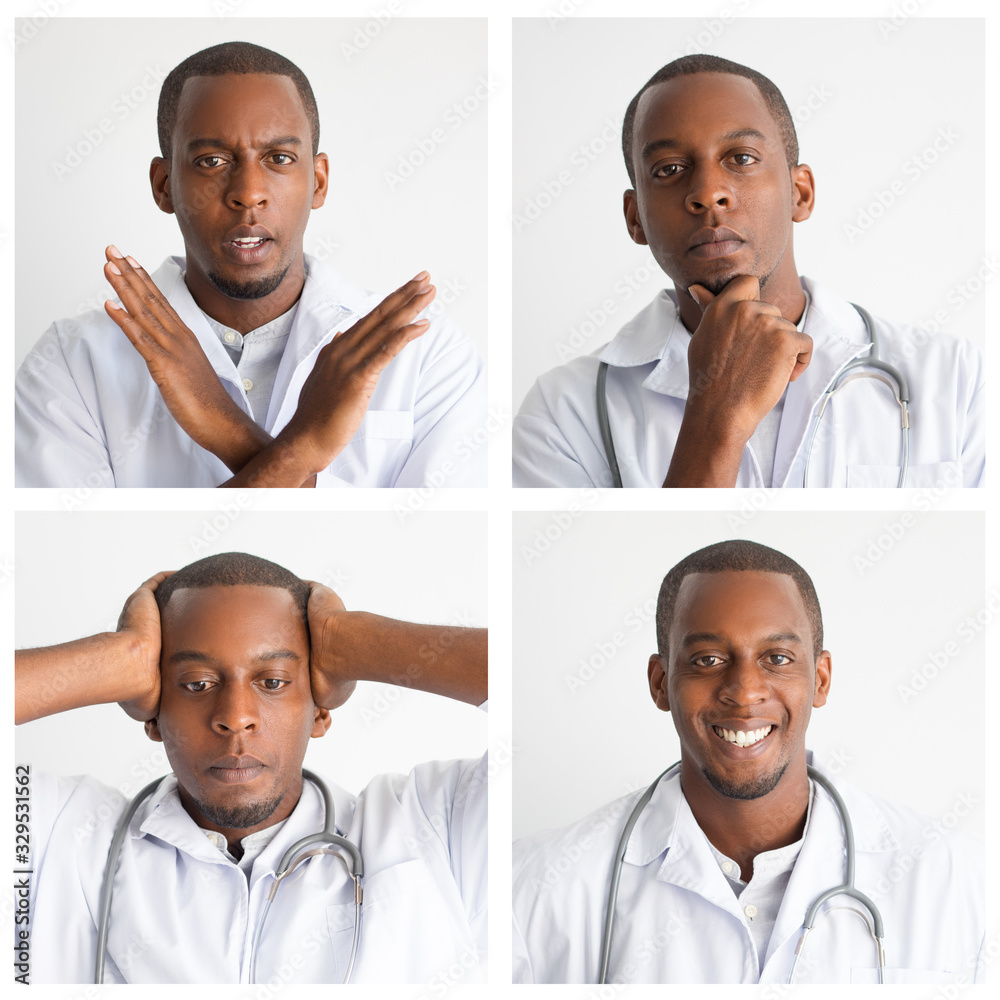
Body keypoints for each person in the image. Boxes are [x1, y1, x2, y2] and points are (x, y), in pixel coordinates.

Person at [15, 42, 485, 488]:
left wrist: (223, 426)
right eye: (212, 160)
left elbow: (422, 547)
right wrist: (304, 451)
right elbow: (102, 547)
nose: (249, 192)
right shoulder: (72, 362)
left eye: (279, 158)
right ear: (164, 186)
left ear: (318, 182)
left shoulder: (428, 355)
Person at [512, 540, 982, 983]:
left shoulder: (955, 878)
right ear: (659, 682)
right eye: (708, 660)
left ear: (820, 680)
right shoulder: (535, 888)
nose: (744, 690)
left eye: (776, 658)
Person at [512, 55, 983, 488]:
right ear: (635, 218)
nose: (709, 193)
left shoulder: (955, 379)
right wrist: (715, 414)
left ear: (800, 193)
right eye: (670, 169)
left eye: (741, 159)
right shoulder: (563, 411)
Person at [15, 552, 487, 984]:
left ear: (321, 711)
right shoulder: (58, 832)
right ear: (153, 714)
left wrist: (351, 641)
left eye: (274, 681)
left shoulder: (435, 824)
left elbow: (534, 689)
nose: (236, 715)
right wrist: (122, 656)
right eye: (198, 683)